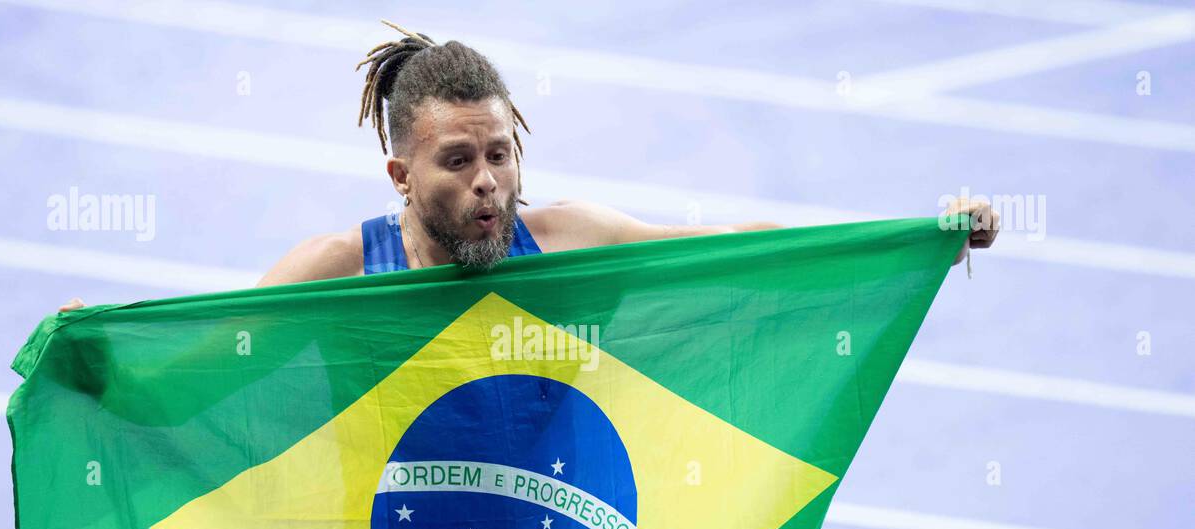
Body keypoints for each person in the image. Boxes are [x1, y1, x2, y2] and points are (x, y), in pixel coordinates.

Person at [60, 19, 997, 313]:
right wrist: (99, 355)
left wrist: (918, 236)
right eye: (458, 160)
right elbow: (204, 358)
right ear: (399, 176)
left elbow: (732, 252)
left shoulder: (569, 242)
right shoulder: (337, 270)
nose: (488, 184)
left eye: (502, 155)